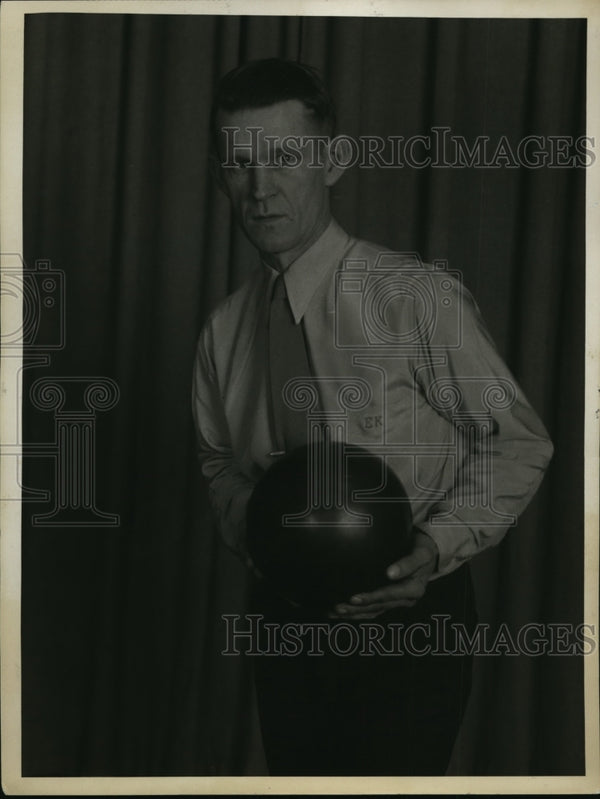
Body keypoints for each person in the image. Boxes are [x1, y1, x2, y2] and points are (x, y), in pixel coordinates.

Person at [192, 58, 553, 775]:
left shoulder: (414, 297)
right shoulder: (224, 331)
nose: (260, 190)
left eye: (285, 158)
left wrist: (432, 546)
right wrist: (265, 541)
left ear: (335, 161)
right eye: (239, 163)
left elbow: (517, 442)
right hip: (286, 621)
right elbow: (217, 463)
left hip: (410, 616)